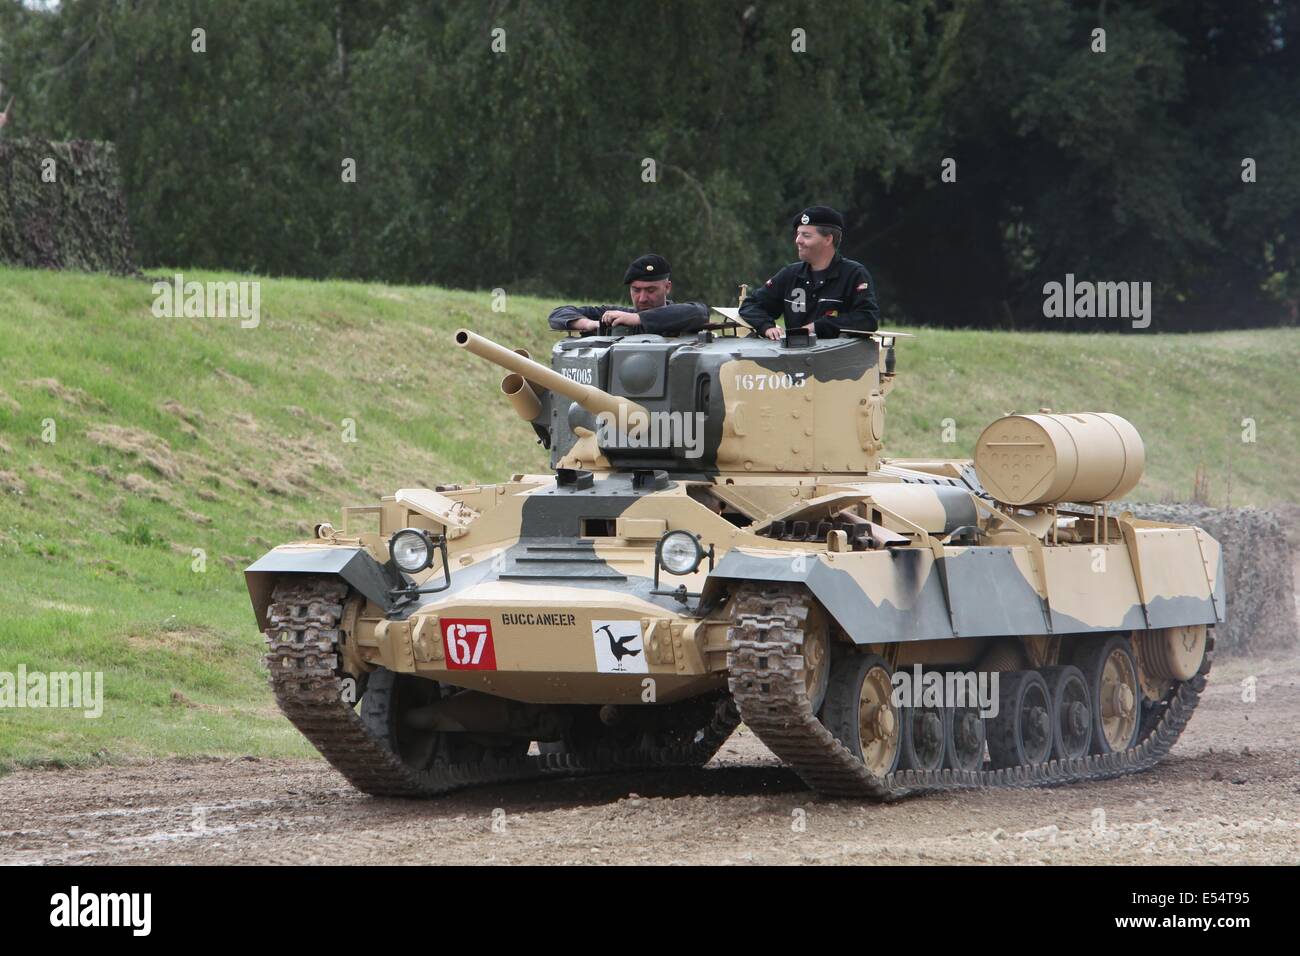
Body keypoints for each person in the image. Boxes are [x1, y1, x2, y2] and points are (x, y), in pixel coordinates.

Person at [739, 206, 880, 340]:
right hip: (795, 360)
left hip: (839, 361)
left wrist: (817, 327)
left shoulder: (854, 274)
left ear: (828, 239)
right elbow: (750, 305)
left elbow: (867, 319)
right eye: (798, 234)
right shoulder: (791, 275)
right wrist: (766, 326)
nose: (798, 241)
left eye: (806, 235)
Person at [547, 254, 709, 336]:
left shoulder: (680, 316)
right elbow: (557, 314)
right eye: (636, 290)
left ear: (667, 288)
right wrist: (590, 324)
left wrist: (638, 319)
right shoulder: (616, 316)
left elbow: (700, 312)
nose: (642, 298)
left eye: (650, 290)